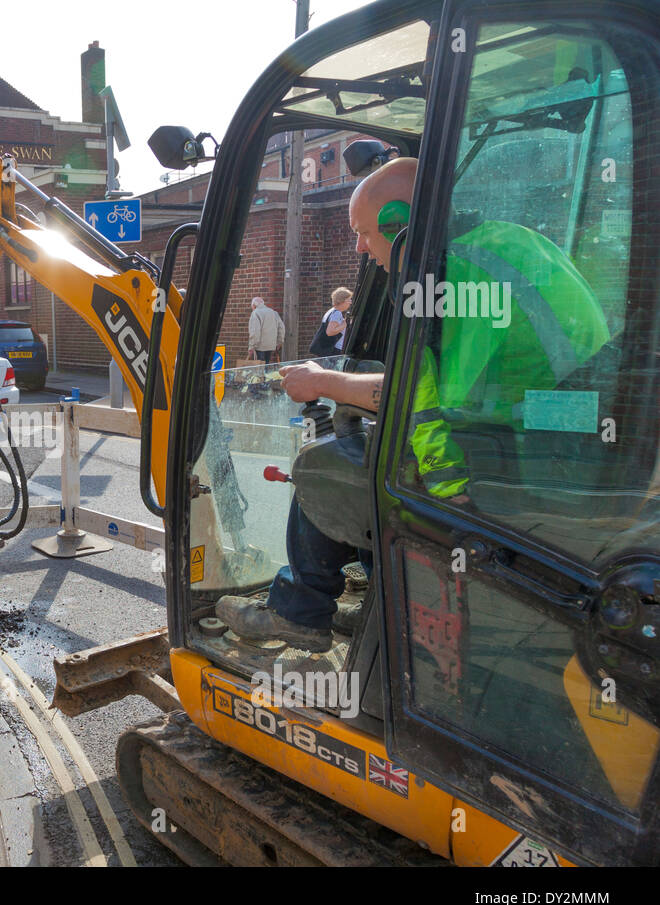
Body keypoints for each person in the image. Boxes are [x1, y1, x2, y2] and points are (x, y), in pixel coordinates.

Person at [217, 157, 610, 649]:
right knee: (380, 453)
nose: (360, 247)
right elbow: (433, 384)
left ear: (397, 223)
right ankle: (381, 595)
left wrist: (324, 383)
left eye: (363, 233)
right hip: (562, 443)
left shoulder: (458, 275)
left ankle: (299, 611)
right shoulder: (508, 246)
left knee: (325, 465)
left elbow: (424, 408)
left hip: (524, 466)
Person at [309, 287, 351, 357]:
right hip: (334, 350)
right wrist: (345, 324)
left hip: (329, 349)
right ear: (342, 300)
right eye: (349, 300)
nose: (350, 302)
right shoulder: (337, 313)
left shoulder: (331, 311)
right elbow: (330, 331)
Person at [247, 296, 285, 364]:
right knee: (266, 365)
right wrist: (279, 342)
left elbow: (255, 331)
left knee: (260, 368)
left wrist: (251, 346)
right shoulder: (273, 312)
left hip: (260, 346)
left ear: (254, 305)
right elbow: (281, 328)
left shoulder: (256, 313)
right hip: (271, 345)